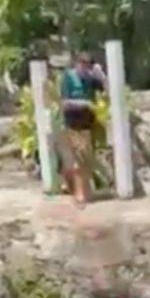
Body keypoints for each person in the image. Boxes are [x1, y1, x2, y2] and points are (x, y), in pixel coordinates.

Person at [58, 52, 107, 205]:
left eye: (89, 67)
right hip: (73, 124)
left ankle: (82, 190)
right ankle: (80, 193)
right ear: (78, 64)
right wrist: (84, 104)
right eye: (84, 66)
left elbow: (108, 92)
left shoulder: (90, 78)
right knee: (78, 159)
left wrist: (101, 75)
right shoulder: (68, 78)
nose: (86, 70)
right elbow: (65, 103)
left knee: (86, 159)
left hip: (88, 125)